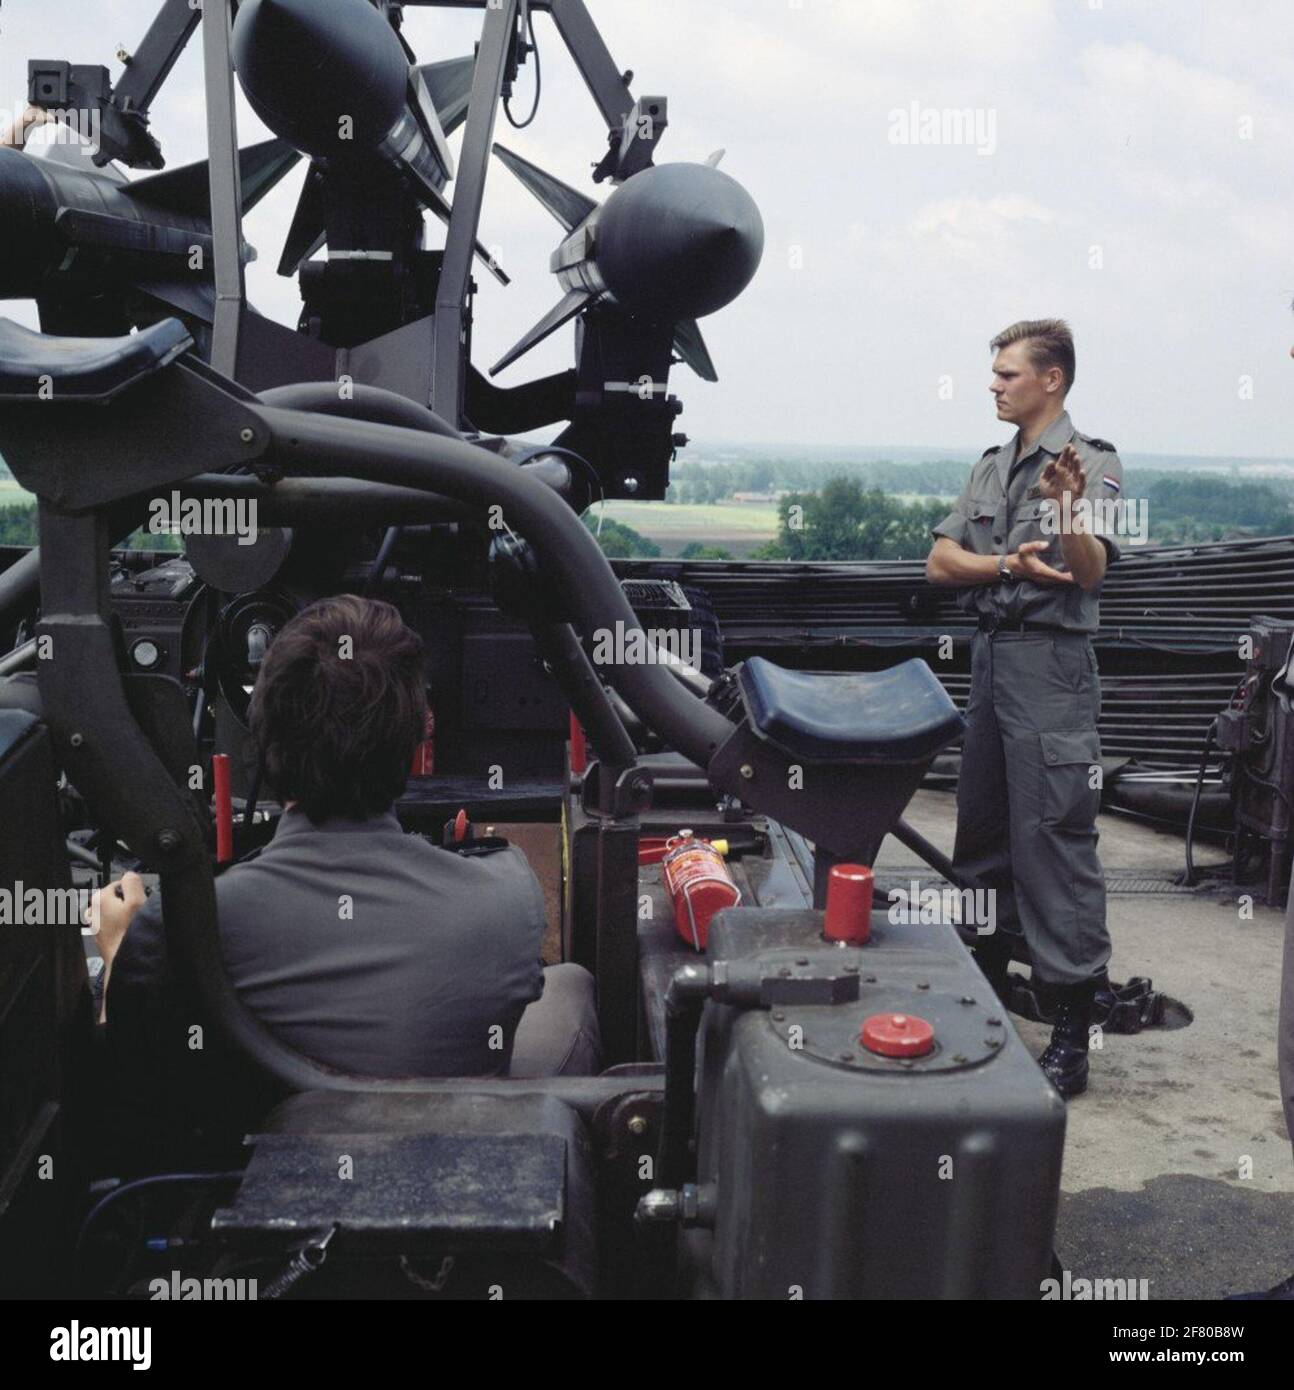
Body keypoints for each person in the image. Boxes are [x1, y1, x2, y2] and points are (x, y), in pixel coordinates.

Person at [90, 595, 601, 1122]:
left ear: (262, 738)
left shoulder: (180, 927)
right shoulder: (507, 894)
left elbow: (134, 1090)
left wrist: (116, 958)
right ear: (415, 742)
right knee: (572, 983)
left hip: (258, 1182)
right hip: (461, 1160)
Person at [926, 318, 1123, 1099]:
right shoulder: (990, 467)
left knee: (1053, 839)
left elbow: (1089, 572)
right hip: (993, 659)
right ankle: (984, 994)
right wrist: (1004, 561)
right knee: (980, 835)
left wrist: (1069, 512)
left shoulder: (1092, 463)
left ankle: (1072, 1027)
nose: (994, 384)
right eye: (995, 372)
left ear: (1052, 379)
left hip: (1052, 668)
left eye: (1008, 373)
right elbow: (941, 563)